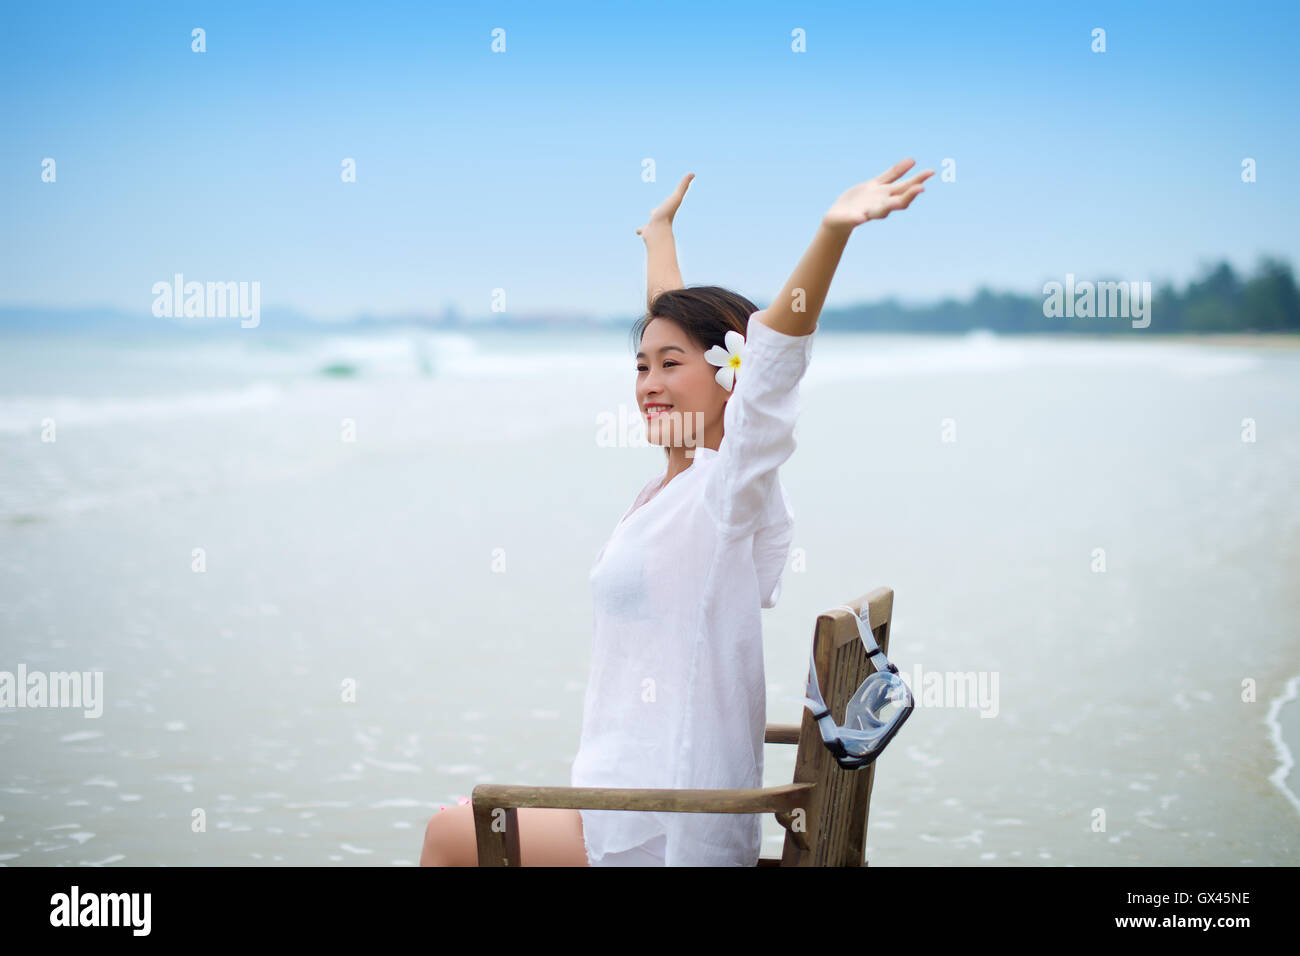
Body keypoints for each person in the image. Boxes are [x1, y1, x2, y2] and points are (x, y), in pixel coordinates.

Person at [420, 159, 932, 866]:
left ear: (729, 383)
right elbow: (684, 321)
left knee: (450, 833)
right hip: (631, 801)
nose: (650, 384)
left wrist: (831, 233)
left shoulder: (725, 491)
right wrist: (658, 237)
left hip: (664, 826)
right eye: (640, 367)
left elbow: (771, 368)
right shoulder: (678, 485)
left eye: (670, 366)